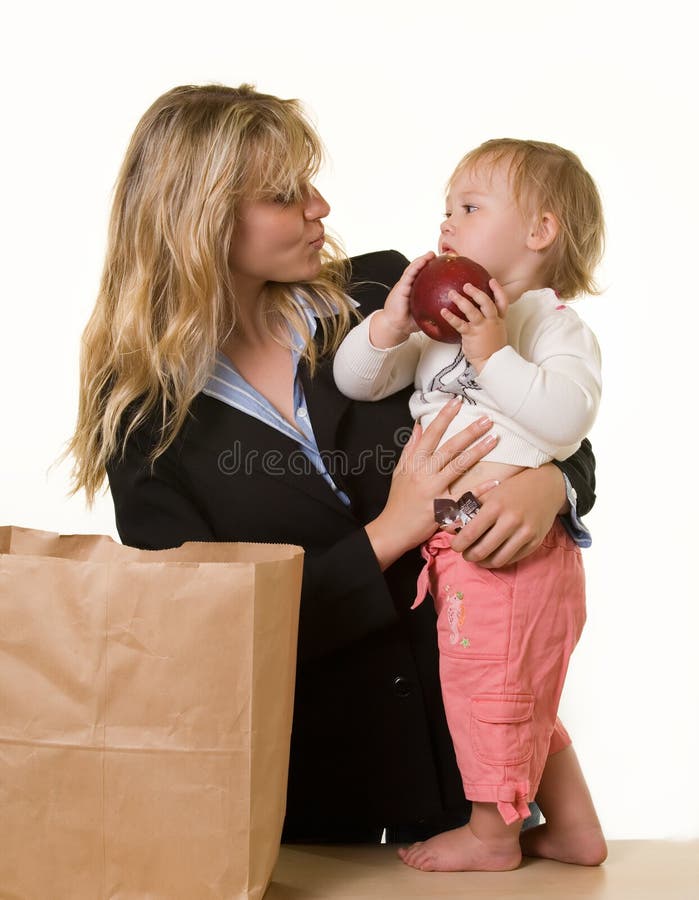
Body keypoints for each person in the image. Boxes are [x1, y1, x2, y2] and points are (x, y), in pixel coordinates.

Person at [65, 86, 598, 846]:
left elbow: (552, 421)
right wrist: (388, 533)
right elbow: (200, 635)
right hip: (315, 811)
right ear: (202, 217)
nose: (320, 206)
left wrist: (552, 487)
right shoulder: (144, 421)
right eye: (285, 194)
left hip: (478, 797)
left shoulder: (389, 295)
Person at [333, 138, 607, 870]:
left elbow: (561, 422)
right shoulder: (442, 317)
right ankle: (574, 828)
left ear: (538, 231)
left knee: (487, 687)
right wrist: (388, 326)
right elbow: (360, 381)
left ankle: (492, 835)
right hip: (455, 544)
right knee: (517, 688)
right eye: (444, 209)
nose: (446, 223)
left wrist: (491, 352)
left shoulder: (550, 327)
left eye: (468, 207)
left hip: (505, 549)